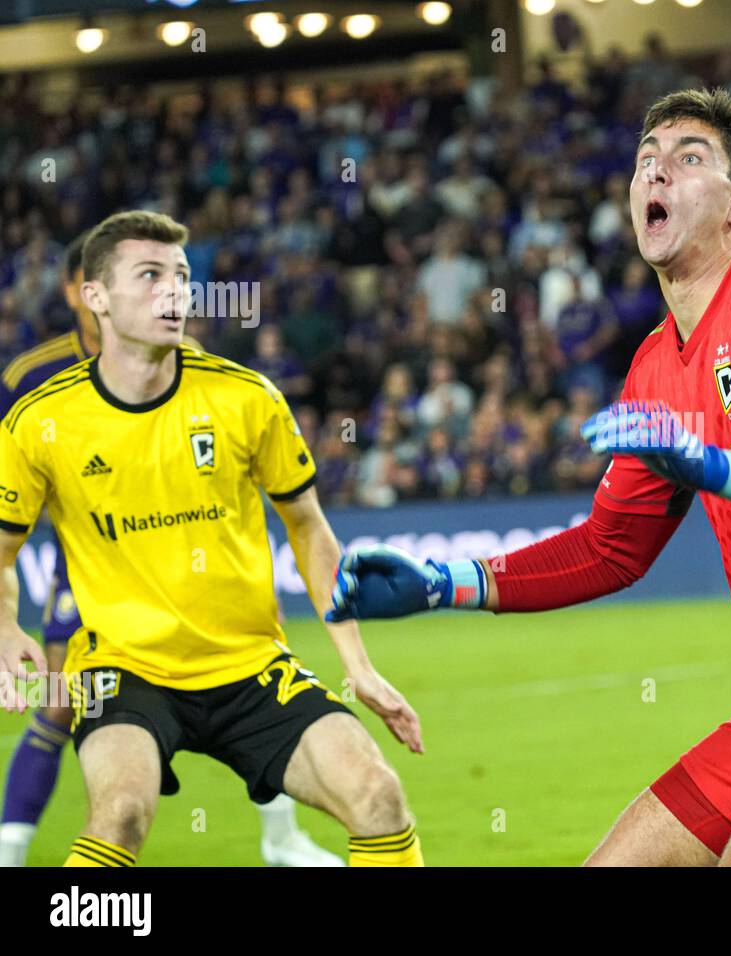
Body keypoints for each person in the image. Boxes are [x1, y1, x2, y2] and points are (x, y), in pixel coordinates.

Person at [329, 89, 731, 867]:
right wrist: (445, 583)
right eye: (647, 160)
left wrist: (714, 467)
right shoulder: (651, 366)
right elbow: (611, 549)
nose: (656, 173)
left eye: (687, 159)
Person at [0, 211, 425, 868]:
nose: (174, 292)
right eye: (150, 276)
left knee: (378, 797)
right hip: (122, 668)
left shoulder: (245, 398)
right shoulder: (41, 420)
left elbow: (308, 524)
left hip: (249, 664)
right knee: (121, 814)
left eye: (181, 276)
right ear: (96, 296)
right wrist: (5, 626)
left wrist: (358, 665)